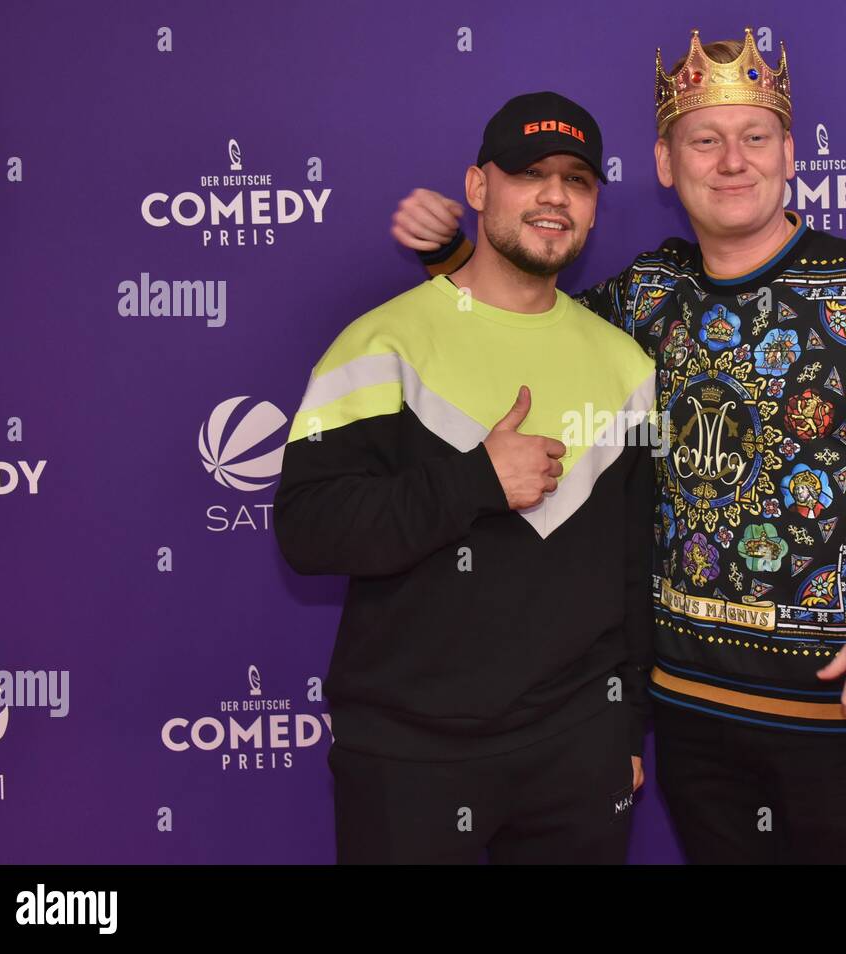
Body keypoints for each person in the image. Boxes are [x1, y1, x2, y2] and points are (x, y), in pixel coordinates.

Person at [392, 29, 846, 864]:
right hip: (690, 718)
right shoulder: (646, 296)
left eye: (754, 136)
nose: (732, 161)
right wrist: (453, 255)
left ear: (789, 155)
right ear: (666, 164)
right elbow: (534, 332)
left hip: (836, 716)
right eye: (705, 140)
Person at [273, 91, 656, 864]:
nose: (555, 195)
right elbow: (307, 530)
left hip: (578, 750)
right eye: (530, 173)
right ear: (479, 187)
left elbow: (631, 571)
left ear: (592, 208)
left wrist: (624, 728)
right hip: (408, 756)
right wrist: (475, 479)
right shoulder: (381, 343)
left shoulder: (626, 365)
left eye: (577, 180)